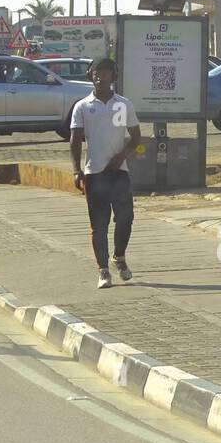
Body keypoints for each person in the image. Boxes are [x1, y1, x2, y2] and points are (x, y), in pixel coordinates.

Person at [69, 58, 141, 289]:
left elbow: (136, 138)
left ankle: (119, 257)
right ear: (91, 75)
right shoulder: (83, 106)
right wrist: (76, 169)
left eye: (105, 72)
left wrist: (123, 155)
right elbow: (75, 140)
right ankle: (103, 271)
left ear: (114, 76)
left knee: (125, 219)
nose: (100, 76)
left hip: (118, 172)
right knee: (99, 224)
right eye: (96, 72)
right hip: (94, 173)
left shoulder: (122, 105)